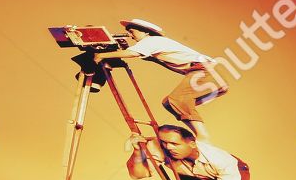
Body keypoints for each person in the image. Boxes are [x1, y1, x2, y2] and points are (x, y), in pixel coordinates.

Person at [94, 19, 229, 143]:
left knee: (176, 100)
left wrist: (101, 55)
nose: (130, 35)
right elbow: (143, 55)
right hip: (212, 75)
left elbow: (134, 53)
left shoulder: (151, 41)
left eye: (131, 31)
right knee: (169, 103)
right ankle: (197, 135)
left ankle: (202, 137)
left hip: (206, 71)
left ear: (146, 32)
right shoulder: (155, 44)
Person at [127, 125, 252, 180]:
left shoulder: (222, 161)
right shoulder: (160, 146)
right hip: (190, 173)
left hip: (226, 170)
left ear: (192, 144)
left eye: (174, 144)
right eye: (164, 142)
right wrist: (138, 152)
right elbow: (138, 175)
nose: (168, 147)